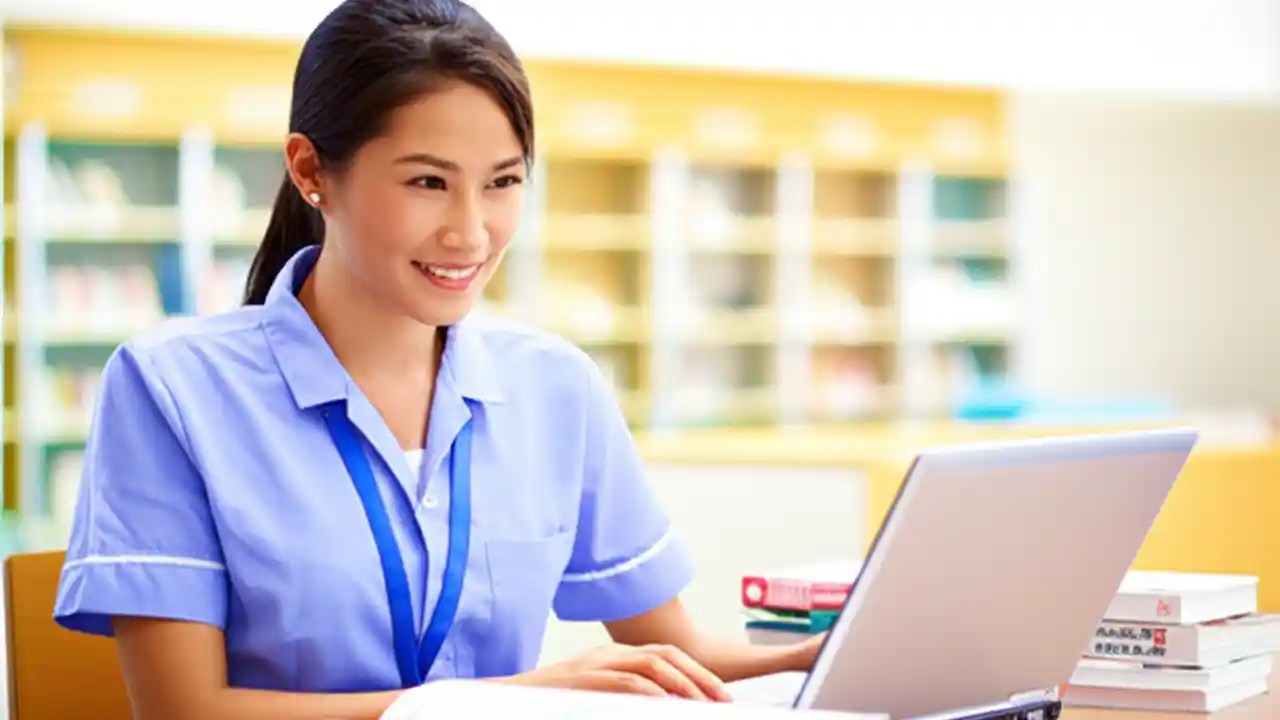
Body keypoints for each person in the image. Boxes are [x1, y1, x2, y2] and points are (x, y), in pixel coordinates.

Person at [52, 1, 823, 718]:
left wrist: (823, 654)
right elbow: (184, 710)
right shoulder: (172, 389)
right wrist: (507, 700)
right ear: (310, 171)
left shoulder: (555, 388)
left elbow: (676, 656)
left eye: (503, 183)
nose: (471, 233)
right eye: (428, 182)